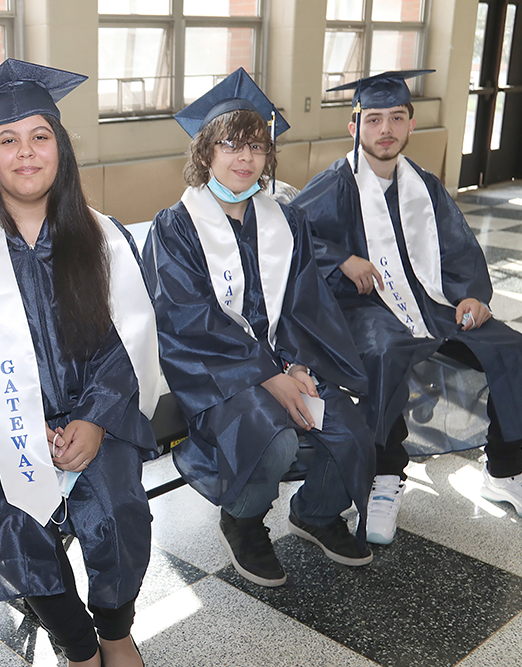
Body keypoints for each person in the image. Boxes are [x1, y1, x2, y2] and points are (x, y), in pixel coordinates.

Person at [0, 59, 161, 667]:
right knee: (12, 519)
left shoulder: (102, 236)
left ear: (61, 149)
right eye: (8, 139)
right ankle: (77, 645)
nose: (26, 153)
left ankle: (114, 628)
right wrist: (16, 425)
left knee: (119, 508)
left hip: (92, 413)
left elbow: (127, 341)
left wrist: (94, 418)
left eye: (41, 137)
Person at [293, 70, 522, 545]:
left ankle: (505, 472)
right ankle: (385, 476)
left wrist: (472, 296)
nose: (385, 130)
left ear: (411, 126)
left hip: (432, 301)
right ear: (354, 126)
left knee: (513, 346)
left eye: (396, 118)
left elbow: (458, 249)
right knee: (387, 351)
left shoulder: (425, 186)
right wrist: (341, 258)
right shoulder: (334, 185)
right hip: (362, 306)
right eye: (374, 118)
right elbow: (292, 239)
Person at [142, 69, 376, 588]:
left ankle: (315, 513)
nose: (245, 158)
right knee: (274, 441)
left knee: (354, 427)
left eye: (257, 146)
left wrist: (296, 363)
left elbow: (304, 304)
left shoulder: (286, 222)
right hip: (214, 371)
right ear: (205, 154)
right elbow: (185, 318)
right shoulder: (175, 227)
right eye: (230, 145)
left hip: (284, 360)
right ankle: (243, 521)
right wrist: (268, 376)